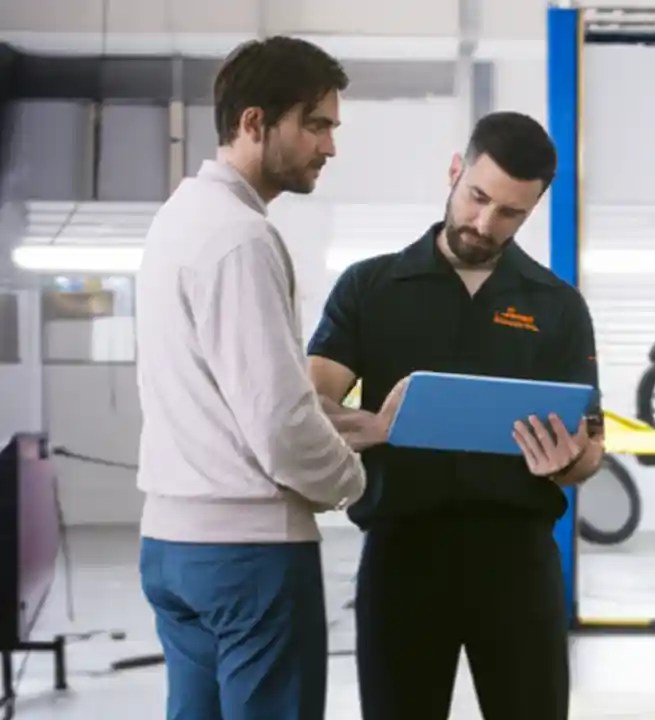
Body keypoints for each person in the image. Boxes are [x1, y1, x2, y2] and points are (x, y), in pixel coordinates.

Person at [133, 36, 406, 720]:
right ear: (255, 124)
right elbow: (280, 428)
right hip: (247, 555)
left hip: (172, 546)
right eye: (316, 125)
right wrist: (353, 479)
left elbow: (228, 397)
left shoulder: (177, 219)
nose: (330, 147)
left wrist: (355, 426)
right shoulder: (241, 238)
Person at [307, 110, 605, 720]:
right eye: (477, 197)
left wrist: (569, 460)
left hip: (517, 560)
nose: (485, 223)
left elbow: (591, 447)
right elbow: (310, 404)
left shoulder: (558, 306)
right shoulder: (370, 287)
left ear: (534, 208)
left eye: (510, 213)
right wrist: (373, 428)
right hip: (403, 554)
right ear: (454, 172)